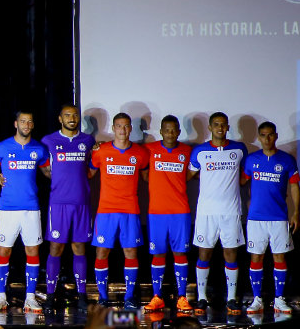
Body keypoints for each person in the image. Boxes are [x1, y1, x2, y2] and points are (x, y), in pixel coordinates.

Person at [0, 110, 49, 313]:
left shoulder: (39, 148)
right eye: (23, 121)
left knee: (32, 251)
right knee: (4, 251)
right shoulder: (2, 147)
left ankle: (30, 298)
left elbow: (48, 172)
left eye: (30, 122)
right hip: (7, 209)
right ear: (16, 124)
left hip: (31, 209)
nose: (27, 125)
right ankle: (1, 297)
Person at [186, 112, 248, 313]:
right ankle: (202, 297)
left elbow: (245, 175)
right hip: (206, 212)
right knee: (204, 252)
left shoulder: (239, 149)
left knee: (230, 253)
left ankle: (231, 298)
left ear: (228, 127)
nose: (220, 128)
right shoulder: (199, 151)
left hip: (231, 211)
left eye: (223, 125)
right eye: (216, 125)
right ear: (210, 128)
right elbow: (191, 175)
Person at [89, 113, 149, 309]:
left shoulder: (140, 153)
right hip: (106, 210)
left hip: (130, 210)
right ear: (113, 128)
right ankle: (103, 296)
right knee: (102, 251)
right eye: (119, 126)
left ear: (131, 128)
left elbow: (148, 177)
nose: (122, 130)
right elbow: (89, 173)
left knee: (130, 251)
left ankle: (130, 296)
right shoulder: (102, 151)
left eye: (126, 126)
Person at [241, 121, 300, 314]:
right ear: (259, 137)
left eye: (270, 135)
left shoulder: (287, 160)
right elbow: (240, 181)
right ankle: (257, 299)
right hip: (256, 218)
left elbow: (294, 186)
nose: (267, 139)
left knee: (279, 257)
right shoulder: (251, 160)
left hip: (279, 217)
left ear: (275, 136)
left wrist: (296, 212)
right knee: (256, 257)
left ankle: (279, 299)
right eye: (263, 135)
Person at [40, 104, 96, 306]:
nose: (72, 118)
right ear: (60, 118)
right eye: (67, 115)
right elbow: (45, 169)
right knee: (56, 247)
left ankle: (81, 295)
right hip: (59, 204)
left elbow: (92, 167)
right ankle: (51, 294)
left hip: (81, 203)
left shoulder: (88, 140)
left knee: (79, 246)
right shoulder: (49, 141)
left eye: (75, 115)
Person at [143, 115, 194, 313]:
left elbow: (189, 175)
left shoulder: (187, 151)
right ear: (161, 131)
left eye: (174, 130)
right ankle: (157, 297)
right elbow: (144, 175)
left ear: (179, 132)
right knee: (158, 254)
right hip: (156, 212)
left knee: (180, 253)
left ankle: (182, 297)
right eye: (166, 129)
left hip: (180, 212)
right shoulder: (149, 150)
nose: (170, 133)